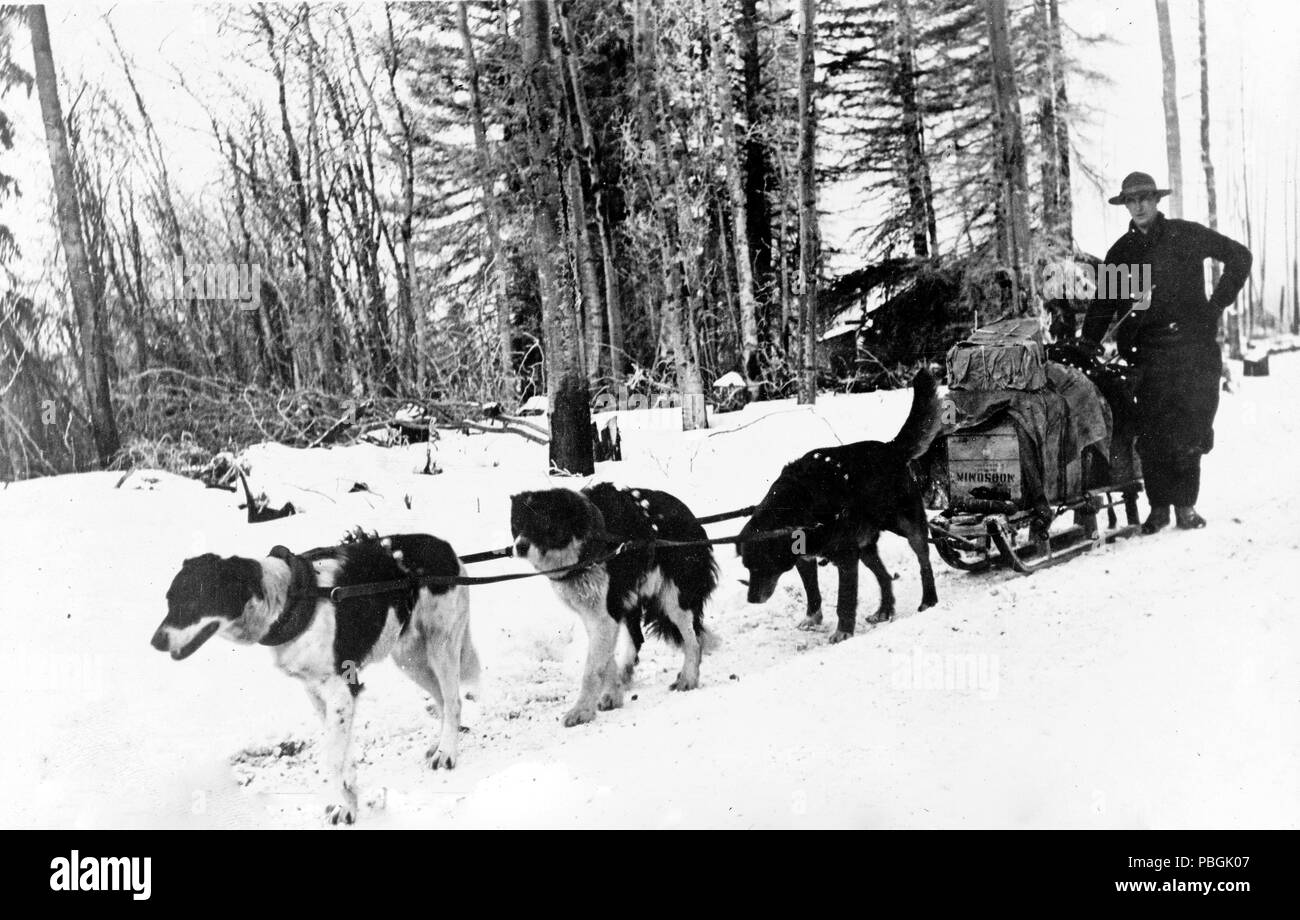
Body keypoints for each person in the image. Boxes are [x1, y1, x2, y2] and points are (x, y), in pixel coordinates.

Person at [1081, 171, 1252, 534]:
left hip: (1193, 352)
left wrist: (1216, 305)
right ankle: (1159, 509)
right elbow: (1104, 305)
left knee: (1191, 428)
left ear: (1157, 200)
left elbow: (1240, 256)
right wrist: (1086, 344)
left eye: (1144, 197)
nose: (1139, 205)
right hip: (1147, 356)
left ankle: (1186, 507)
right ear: (1125, 204)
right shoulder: (1123, 253)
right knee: (1153, 433)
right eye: (1131, 199)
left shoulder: (1185, 235)